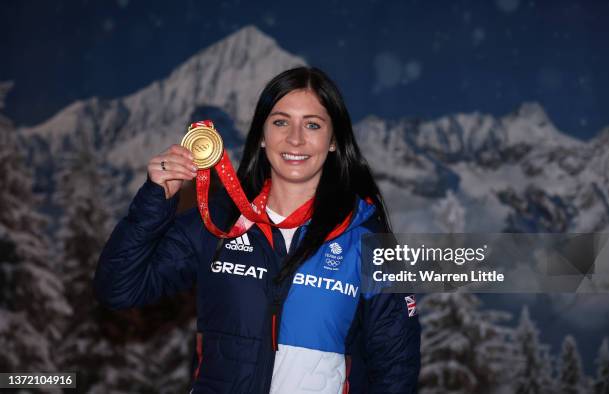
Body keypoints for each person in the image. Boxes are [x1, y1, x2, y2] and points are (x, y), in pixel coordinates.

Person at [94, 66, 420, 393]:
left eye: (312, 124)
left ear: (333, 141)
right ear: (262, 135)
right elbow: (118, 288)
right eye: (280, 122)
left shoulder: (366, 238)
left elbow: (396, 367)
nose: (295, 138)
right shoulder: (217, 222)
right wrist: (156, 199)